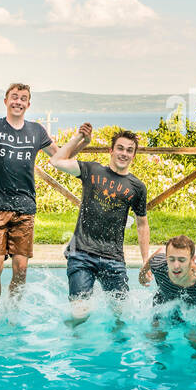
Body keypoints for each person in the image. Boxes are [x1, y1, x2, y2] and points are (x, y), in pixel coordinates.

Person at [0, 83, 86, 310]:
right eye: (14, 97)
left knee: (21, 268)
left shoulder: (36, 131)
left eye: (23, 98)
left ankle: (13, 312)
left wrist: (80, 139)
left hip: (25, 207)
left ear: (28, 104)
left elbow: (60, 157)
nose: (18, 101)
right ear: (6, 101)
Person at [49, 125, 151, 324]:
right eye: (120, 148)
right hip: (81, 254)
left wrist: (145, 261)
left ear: (134, 155)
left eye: (129, 150)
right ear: (111, 150)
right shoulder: (92, 169)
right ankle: (74, 343)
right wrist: (80, 137)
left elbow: (142, 225)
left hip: (113, 259)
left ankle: (116, 347)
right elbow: (56, 160)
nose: (124, 153)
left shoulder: (137, 187)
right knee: (80, 314)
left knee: (122, 316)